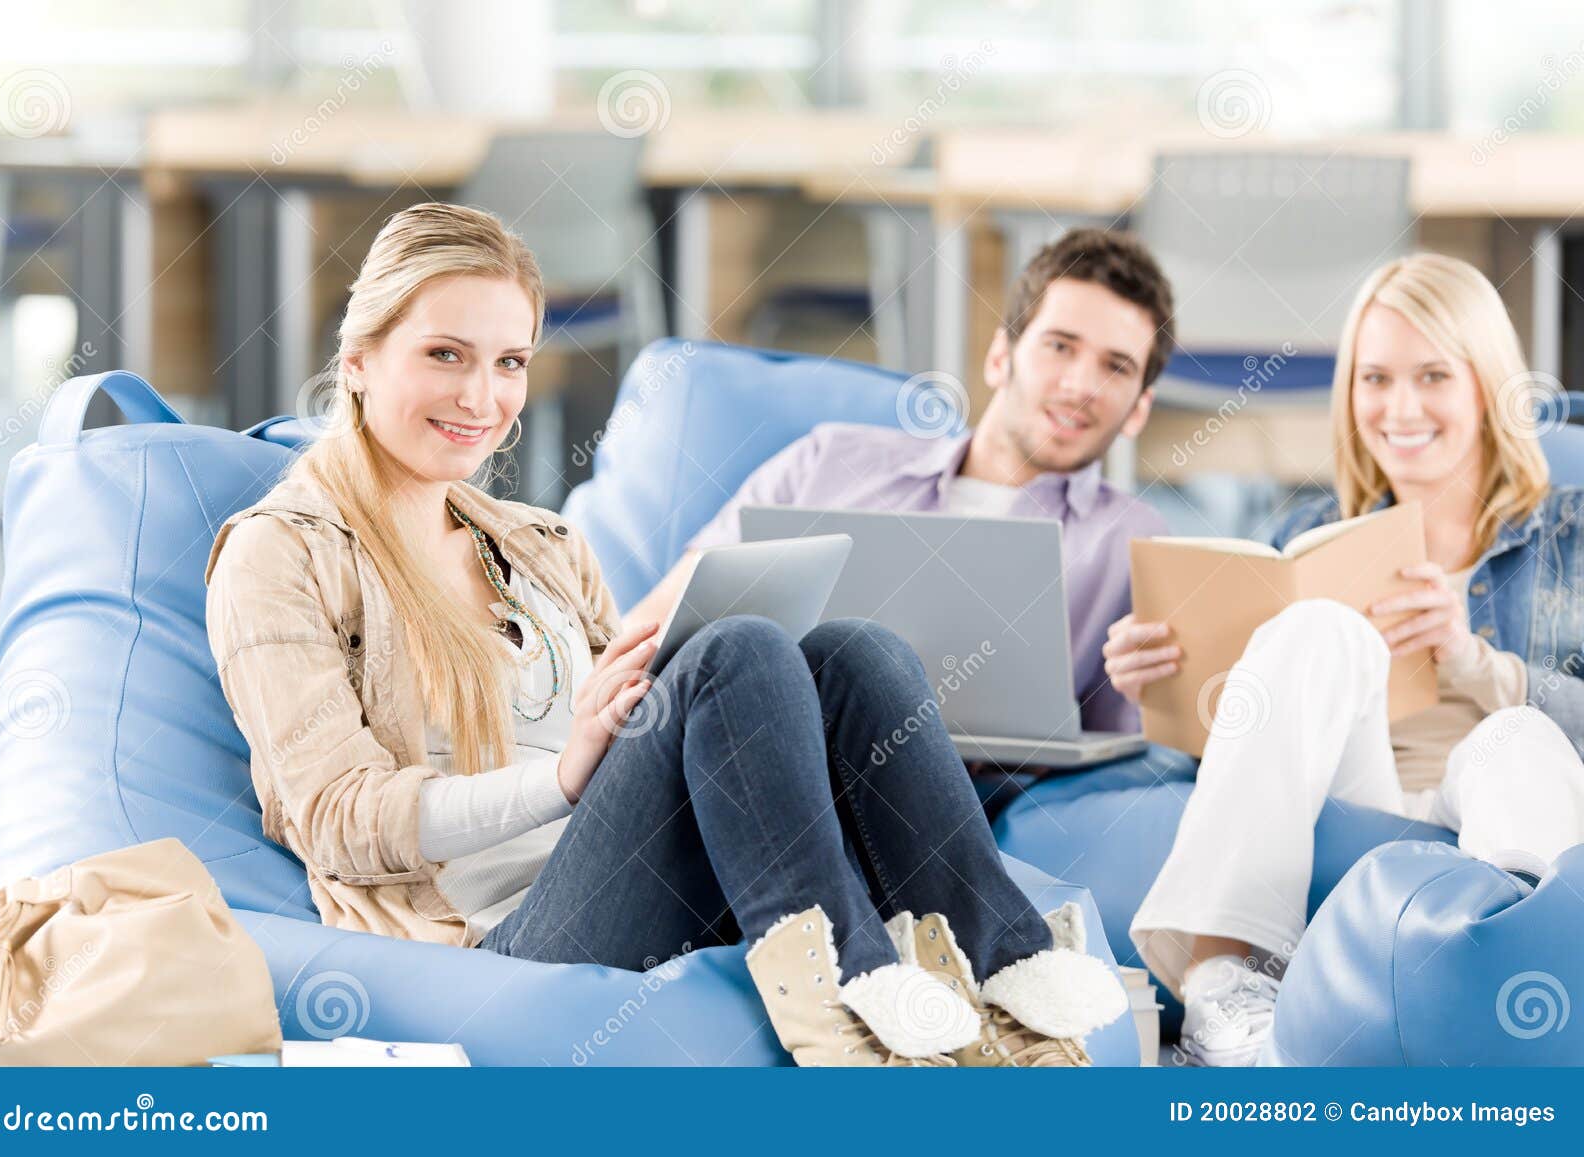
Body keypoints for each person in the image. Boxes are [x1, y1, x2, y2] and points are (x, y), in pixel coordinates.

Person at [205, 202, 1127, 1068]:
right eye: (445, 354)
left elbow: (644, 731)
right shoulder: (281, 553)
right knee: (738, 652)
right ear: (359, 357)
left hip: (638, 865)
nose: (482, 397)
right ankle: (845, 984)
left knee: (853, 652)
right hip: (502, 939)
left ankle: (1008, 965)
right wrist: (561, 775)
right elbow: (335, 819)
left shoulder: (541, 542)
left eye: (510, 362)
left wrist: (630, 724)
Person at [1103, 252, 1584, 1065]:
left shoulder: (1570, 534)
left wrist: (1476, 664)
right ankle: (1224, 993)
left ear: (1487, 384)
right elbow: (1245, 765)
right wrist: (1163, 688)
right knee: (1318, 627)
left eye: (1433, 375)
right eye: (1375, 379)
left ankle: (1534, 982)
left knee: (1517, 737)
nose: (1400, 408)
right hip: (1369, 801)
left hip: (1499, 804)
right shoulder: (1314, 531)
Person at [628, 228, 1176, 740]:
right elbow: (661, 621)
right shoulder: (830, 459)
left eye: (1116, 367)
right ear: (999, 357)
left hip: (951, 793)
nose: (1081, 385)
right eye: (1060, 346)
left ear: (1139, 409)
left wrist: (1150, 699)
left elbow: (1146, 753)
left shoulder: (1135, 544)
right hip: (761, 740)